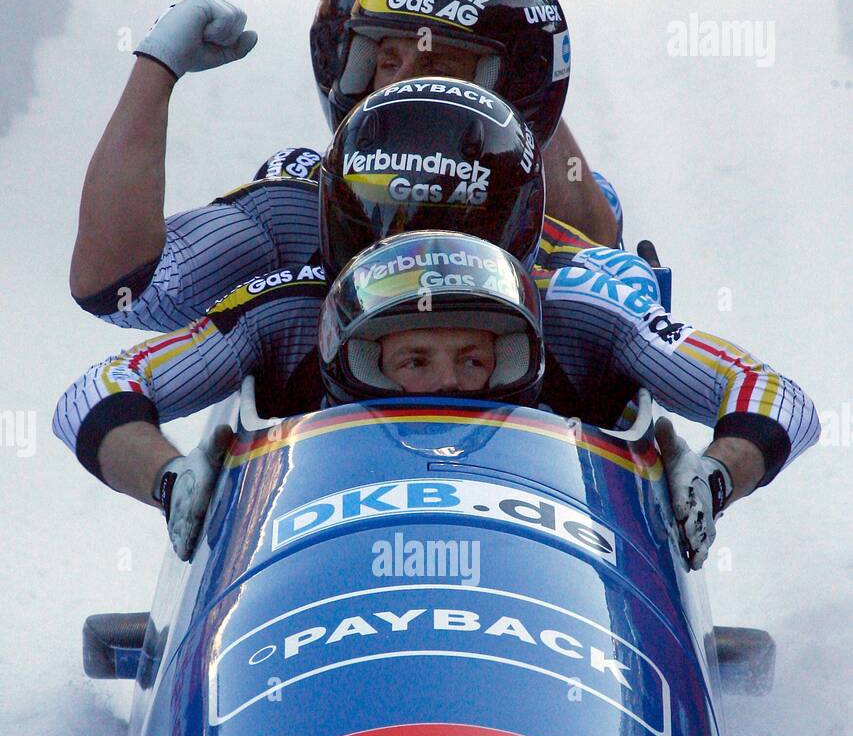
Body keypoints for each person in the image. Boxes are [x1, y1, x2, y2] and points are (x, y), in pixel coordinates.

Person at [54, 231, 818, 570]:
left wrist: (715, 472)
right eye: (413, 360)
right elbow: (89, 393)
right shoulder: (276, 308)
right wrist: (170, 478)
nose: (447, 381)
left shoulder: (588, 301)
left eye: (475, 358)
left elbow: (784, 398)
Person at [69, 0, 618, 330]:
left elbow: (599, 245)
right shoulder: (296, 201)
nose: (404, 86)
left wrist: (519, 28)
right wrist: (156, 70)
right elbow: (116, 286)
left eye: (443, 65)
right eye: (387, 60)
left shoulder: (549, 195)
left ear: (515, 87)